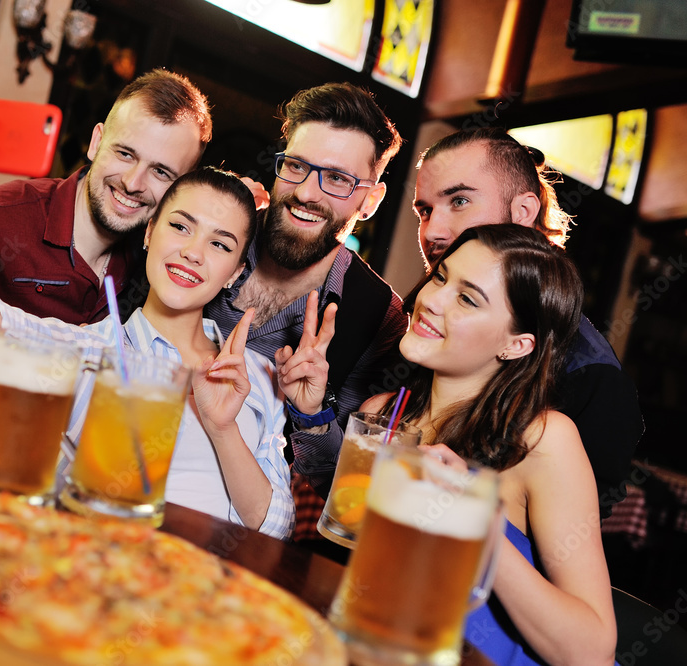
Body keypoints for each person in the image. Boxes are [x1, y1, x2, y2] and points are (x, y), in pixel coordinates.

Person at [0, 165, 305, 539]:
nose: (193, 252)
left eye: (220, 244)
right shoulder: (94, 352)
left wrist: (223, 428)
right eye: (181, 227)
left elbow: (273, 526)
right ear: (148, 233)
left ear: (235, 272)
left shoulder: (257, 373)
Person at [0, 70, 215, 448]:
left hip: (32, 472)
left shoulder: (157, 260)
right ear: (96, 141)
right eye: (125, 153)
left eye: (161, 172)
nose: (134, 183)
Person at [365, 224, 616, 665]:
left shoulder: (543, 439)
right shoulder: (383, 413)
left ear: (516, 345)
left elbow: (591, 652)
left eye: (467, 298)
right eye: (441, 277)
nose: (431, 300)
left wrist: (478, 517)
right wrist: (312, 418)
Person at [205, 82, 406, 547]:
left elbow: (343, 487)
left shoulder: (378, 317)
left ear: (369, 201)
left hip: (247, 537)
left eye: (337, 179)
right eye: (296, 167)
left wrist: (310, 413)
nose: (306, 193)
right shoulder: (211, 233)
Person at [413, 127, 643, 518]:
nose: (432, 230)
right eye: (425, 211)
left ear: (523, 212)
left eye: (460, 200)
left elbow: (566, 546)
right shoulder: (417, 319)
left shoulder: (590, 376)